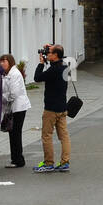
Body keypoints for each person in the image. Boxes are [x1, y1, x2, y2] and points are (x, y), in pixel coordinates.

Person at [33, 44, 70, 172]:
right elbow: (59, 51)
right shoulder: (64, 66)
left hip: (51, 109)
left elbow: (37, 78)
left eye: (49, 53)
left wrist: (41, 64)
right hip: (62, 107)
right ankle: (65, 162)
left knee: (47, 135)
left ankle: (49, 163)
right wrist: (52, 46)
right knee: (64, 136)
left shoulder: (53, 70)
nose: (47, 54)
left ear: (55, 55)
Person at [0, 54, 30, 168]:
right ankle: (15, 158)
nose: (2, 63)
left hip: (18, 107)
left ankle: (18, 160)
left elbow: (13, 93)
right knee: (13, 132)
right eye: (1, 61)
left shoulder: (14, 74)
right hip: (12, 107)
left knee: (15, 132)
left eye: (4, 61)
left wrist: (0, 97)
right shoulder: (6, 74)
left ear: (10, 62)